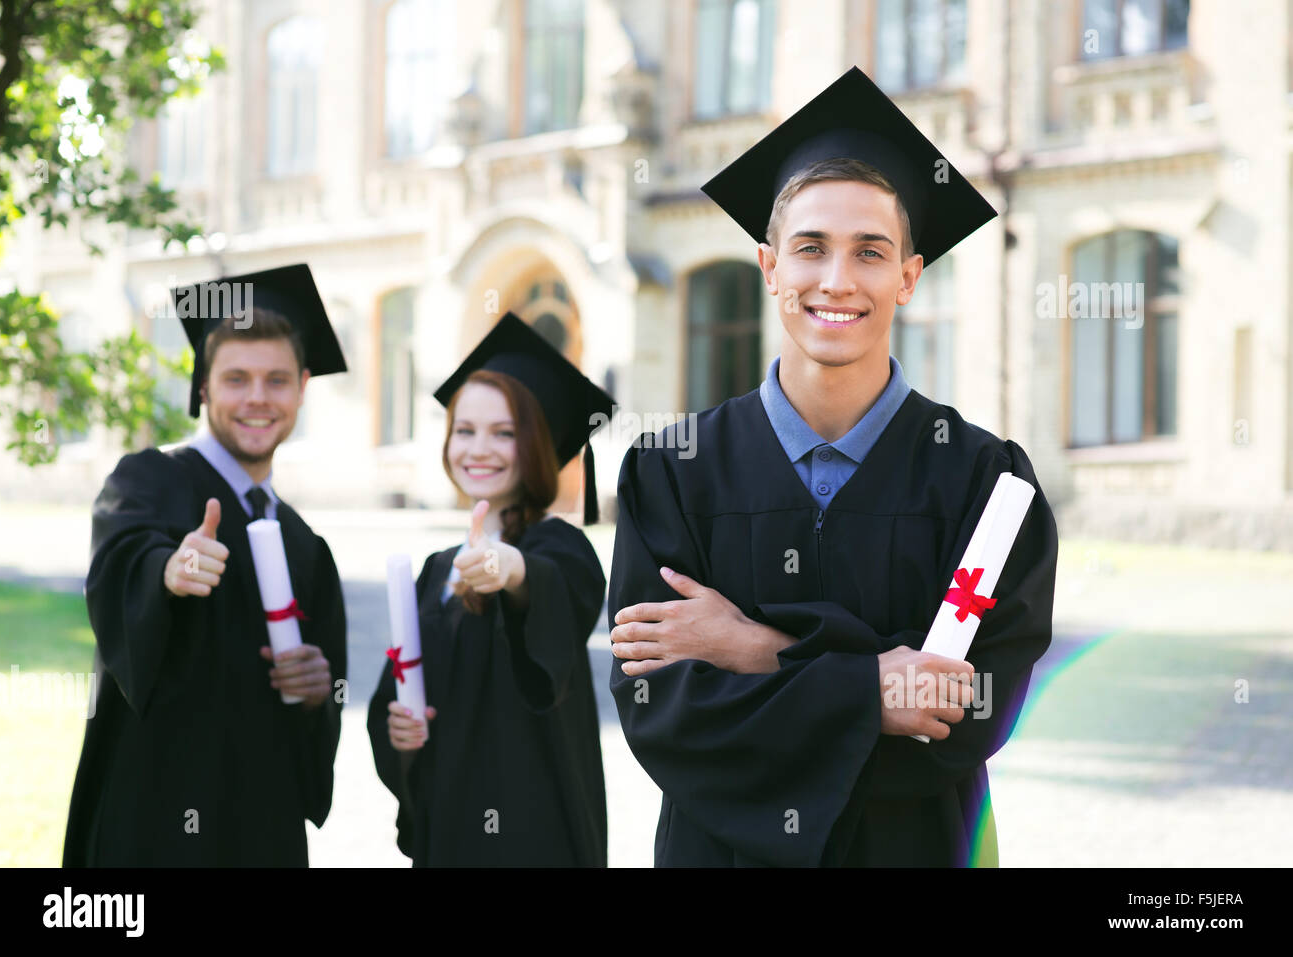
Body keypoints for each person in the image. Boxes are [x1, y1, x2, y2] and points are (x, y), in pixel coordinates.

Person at [607, 67, 1059, 867]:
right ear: (769, 266)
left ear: (909, 277)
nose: (838, 280)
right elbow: (660, 711)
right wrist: (871, 689)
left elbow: (970, 715)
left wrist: (753, 651)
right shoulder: (672, 474)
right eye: (810, 247)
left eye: (871, 252)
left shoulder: (988, 486)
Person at [63, 263, 349, 866]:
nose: (257, 398)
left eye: (276, 380)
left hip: (262, 826)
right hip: (154, 816)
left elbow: (318, 701)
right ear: (202, 387)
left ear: (302, 386)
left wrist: (319, 688)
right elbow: (120, 558)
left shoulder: (307, 544)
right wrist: (165, 571)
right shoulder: (150, 479)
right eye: (236, 378)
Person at [367, 312, 611, 867]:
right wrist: (399, 730)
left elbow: (551, 594)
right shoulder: (435, 571)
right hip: (449, 827)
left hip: (533, 831)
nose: (479, 448)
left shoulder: (561, 549)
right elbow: (398, 687)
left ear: (539, 446)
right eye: (465, 430)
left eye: (505, 432)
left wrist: (510, 568)